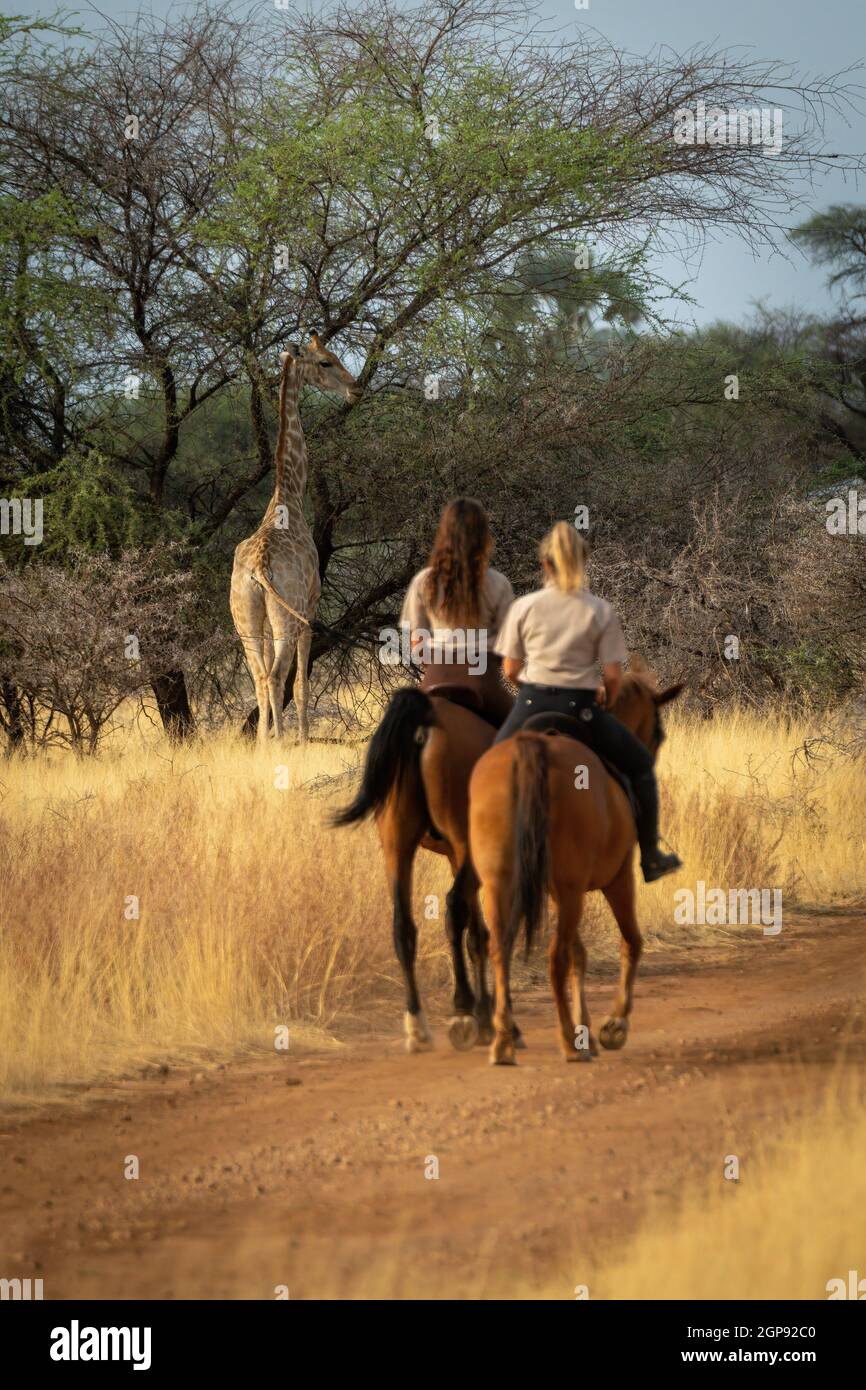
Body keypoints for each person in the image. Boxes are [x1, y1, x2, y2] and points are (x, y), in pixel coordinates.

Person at [493, 521, 682, 882]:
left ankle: (477, 855)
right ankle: (651, 857)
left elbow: (510, 668)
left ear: (545, 565)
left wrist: (531, 687)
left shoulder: (524, 607)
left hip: (530, 703)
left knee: (487, 769)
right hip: (579, 709)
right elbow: (613, 676)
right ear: (582, 564)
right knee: (641, 765)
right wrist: (604, 696)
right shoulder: (598, 610)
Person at [400, 498, 515, 726]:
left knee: (397, 739)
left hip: (435, 676)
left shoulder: (423, 582)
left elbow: (416, 644)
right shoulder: (498, 583)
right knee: (523, 732)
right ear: (482, 536)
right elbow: (509, 645)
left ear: (443, 534)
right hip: (482, 679)